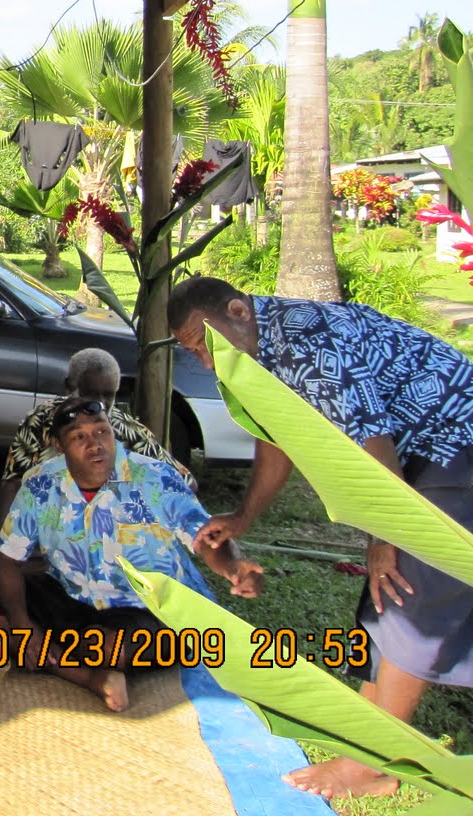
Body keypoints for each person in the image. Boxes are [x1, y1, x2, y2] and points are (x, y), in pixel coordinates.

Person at [169, 275, 473, 800]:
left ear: (238, 311)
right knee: (383, 600)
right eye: (192, 352)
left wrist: (384, 537)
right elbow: (277, 440)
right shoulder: (257, 346)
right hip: (423, 451)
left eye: (204, 343)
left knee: (406, 591)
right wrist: (244, 517)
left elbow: (373, 448)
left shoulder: (310, 350)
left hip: (458, 442)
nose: (204, 361)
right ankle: (369, 744)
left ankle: (372, 764)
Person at [0, 396, 263, 713]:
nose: (95, 445)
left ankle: (44, 655)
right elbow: (6, 559)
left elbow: (207, 538)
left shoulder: (155, 478)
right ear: (59, 445)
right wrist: (24, 623)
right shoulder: (41, 484)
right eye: (79, 436)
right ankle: (87, 676)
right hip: (73, 597)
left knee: (112, 646)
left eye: (101, 432)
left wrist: (233, 567)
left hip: (143, 609)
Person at [0, 348, 192, 581]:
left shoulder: (129, 431)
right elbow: (13, 484)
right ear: (70, 386)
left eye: (109, 395)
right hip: (42, 522)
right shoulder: (39, 421)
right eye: (92, 393)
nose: (101, 403)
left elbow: (187, 482)